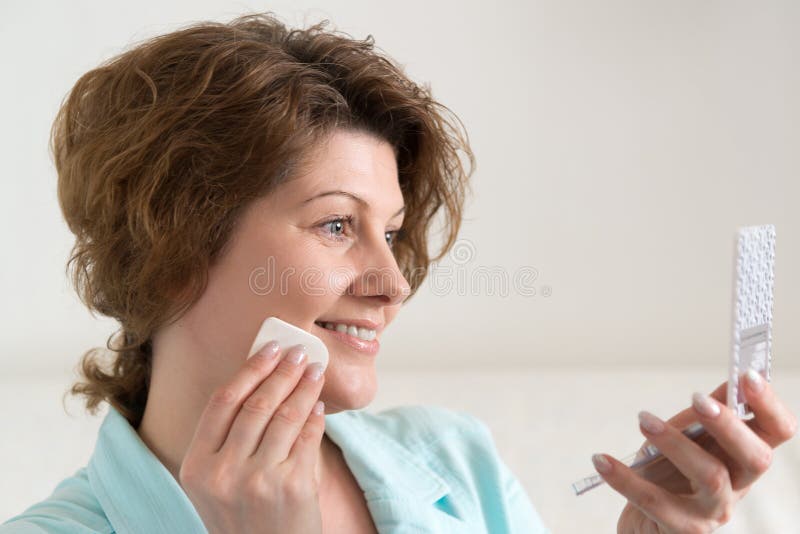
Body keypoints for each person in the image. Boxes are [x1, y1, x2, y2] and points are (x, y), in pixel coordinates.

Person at [1, 11, 795, 534]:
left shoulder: (454, 458)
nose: (393, 282)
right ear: (173, 249)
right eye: (338, 225)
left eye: (391, 232)